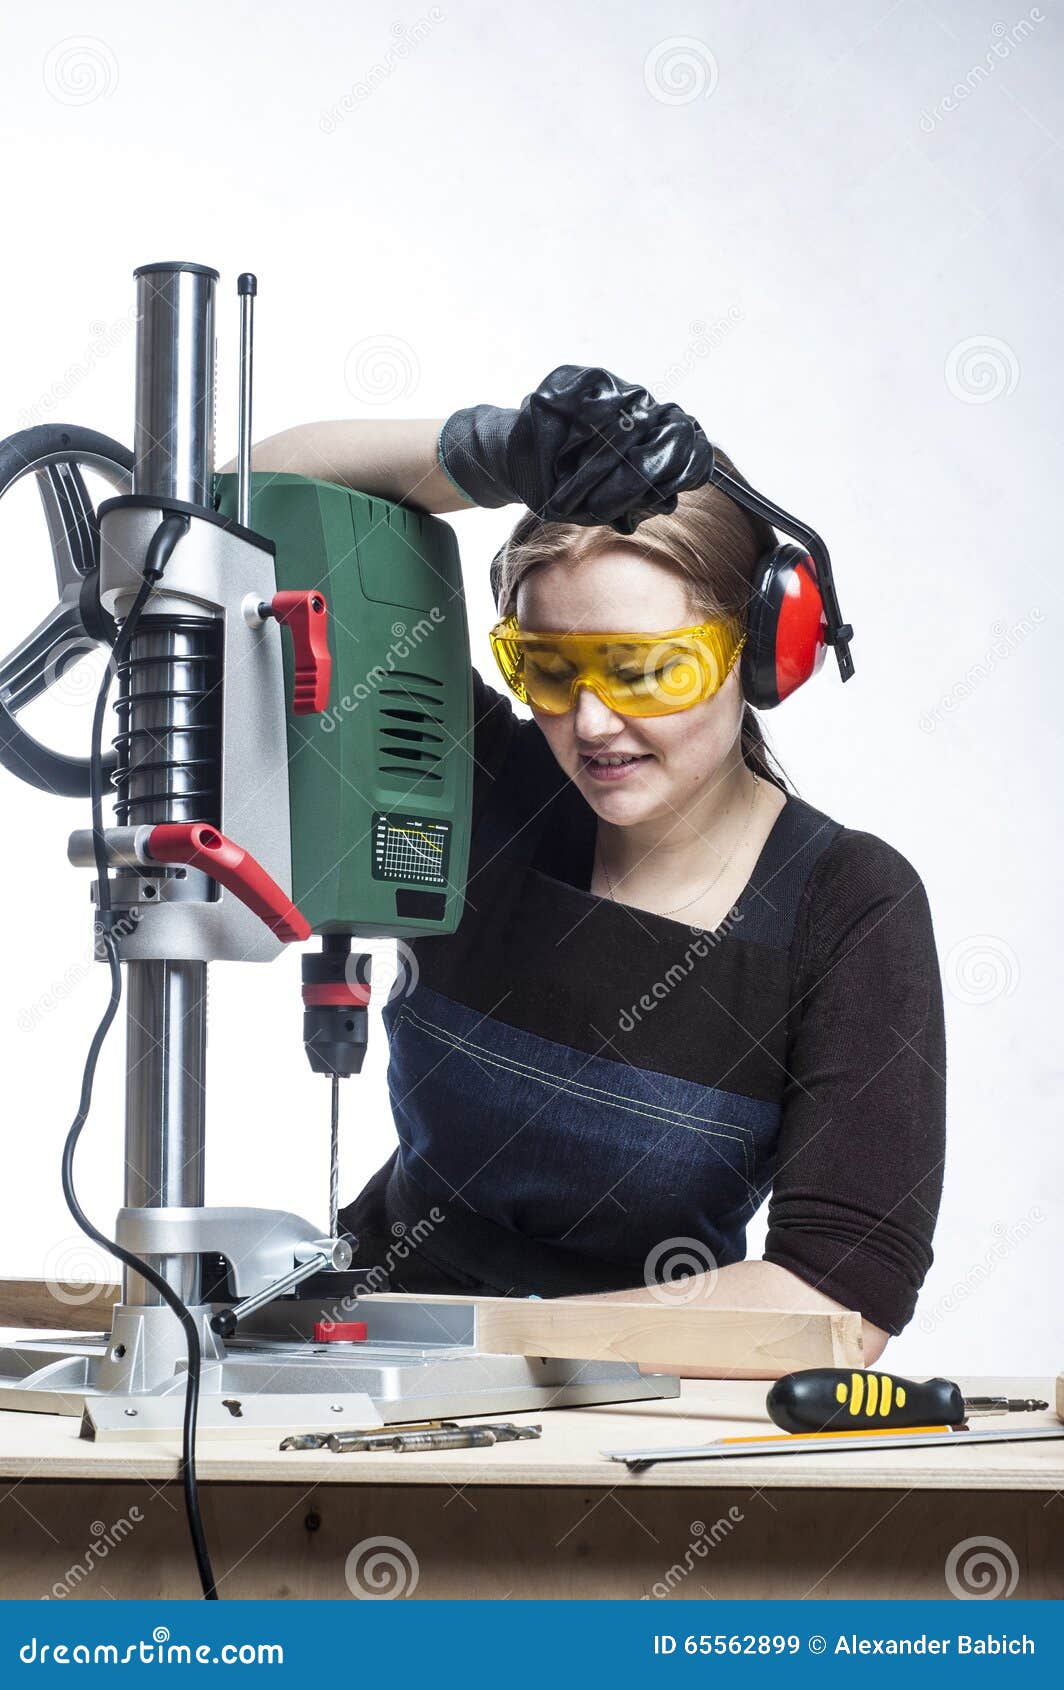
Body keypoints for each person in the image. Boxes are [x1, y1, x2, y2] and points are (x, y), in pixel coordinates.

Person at [249, 367, 946, 1376]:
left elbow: (836, 1301)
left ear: (760, 652)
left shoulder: (847, 905)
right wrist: (495, 449)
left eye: (644, 670)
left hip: (626, 1404)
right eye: (548, 668)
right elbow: (242, 507)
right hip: (358, 1363)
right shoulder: (477, 782)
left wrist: (485, 1346)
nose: (589, 723)